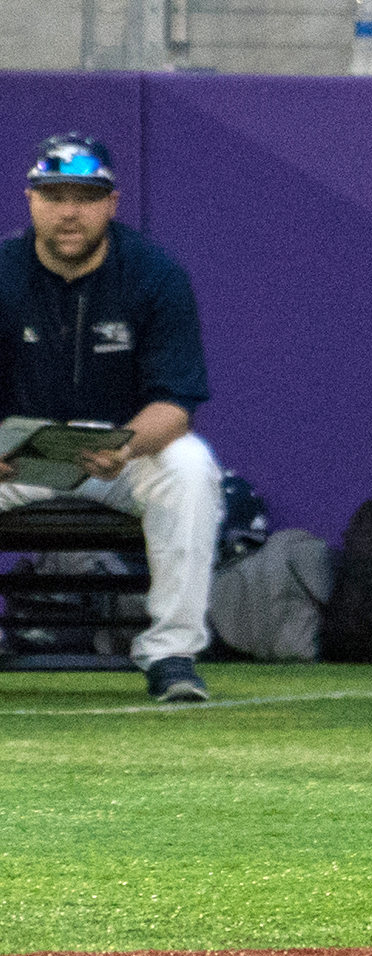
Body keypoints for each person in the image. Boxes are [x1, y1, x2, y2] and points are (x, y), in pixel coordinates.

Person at [0, 133, 223, 701]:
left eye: (85, 196)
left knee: (191, 465)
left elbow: (176, 403)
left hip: (118, 454)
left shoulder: (154, 275)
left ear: (111, 204)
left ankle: (171, 653)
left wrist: (127, 448)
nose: (68, 212)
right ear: (30, 201)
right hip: (16, 453)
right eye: (53, 196)